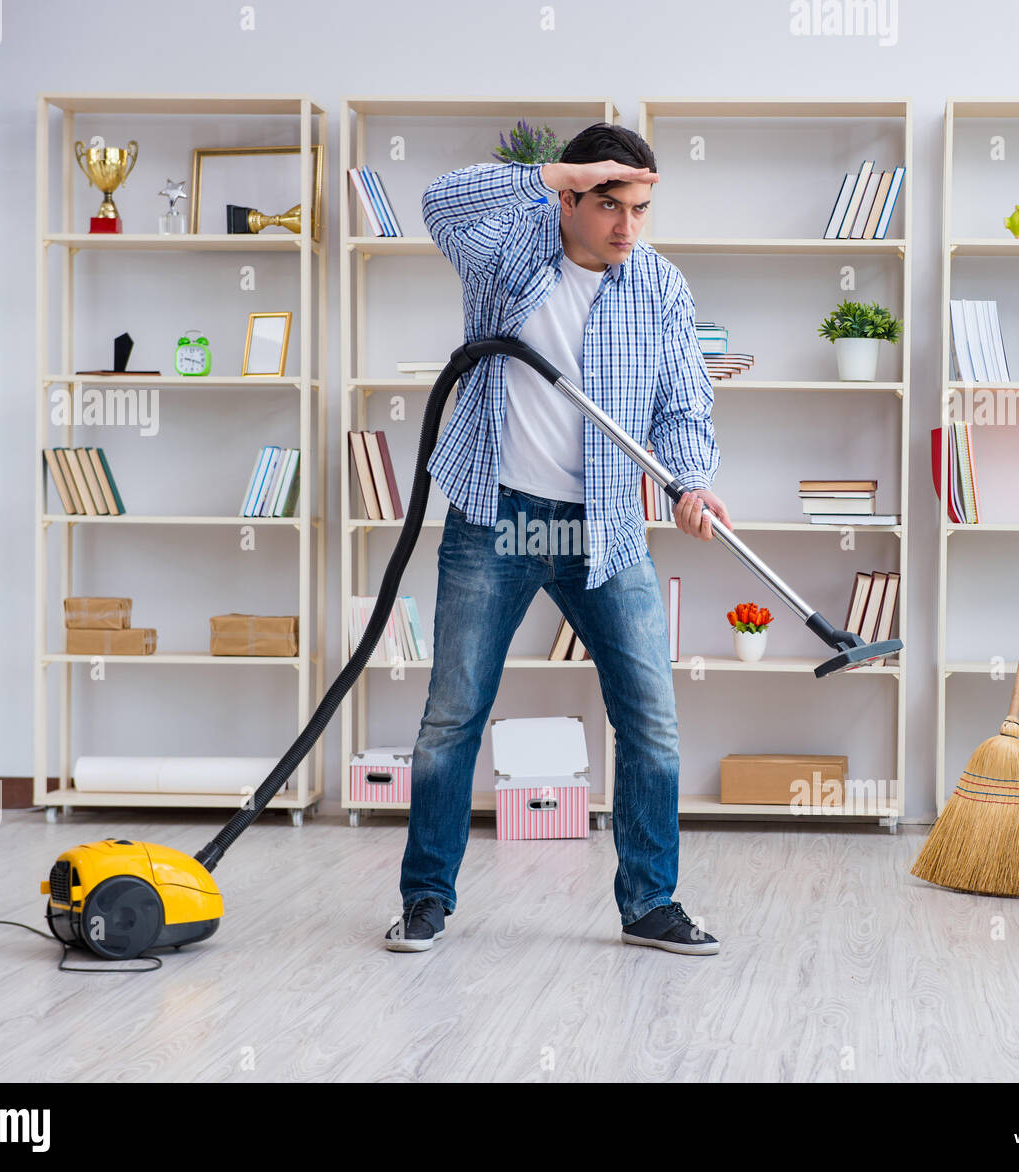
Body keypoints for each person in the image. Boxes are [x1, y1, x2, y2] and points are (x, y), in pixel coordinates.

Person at [386, 123, 732, 955]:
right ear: (570, 194)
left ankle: (650, 904)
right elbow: (438, 200)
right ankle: (426, 898)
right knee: (451, 716)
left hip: (605, 525)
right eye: (610, 204)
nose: (627, 226)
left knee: (650, 718)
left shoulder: (659, 286)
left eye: (641, 208)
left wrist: (690, 479)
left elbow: (683, 405)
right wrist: (551, 172)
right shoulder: (507, 255)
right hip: (495, 515)